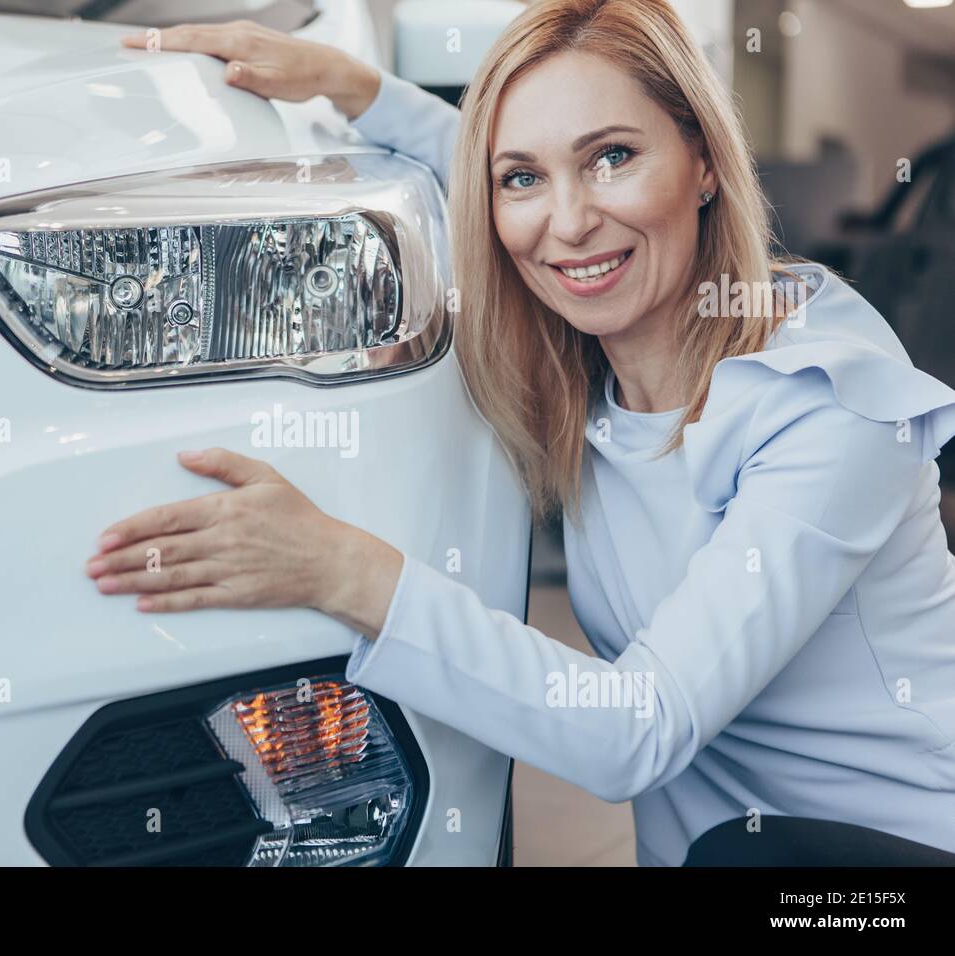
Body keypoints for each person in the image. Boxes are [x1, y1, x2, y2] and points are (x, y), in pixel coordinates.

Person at [85, 0, 955, 866]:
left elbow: (633, 732)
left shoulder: (827, 399)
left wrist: (341, 567)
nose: (569, 222)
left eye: (614, 156)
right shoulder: (596, 370)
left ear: (703, 161)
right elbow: (510, 177)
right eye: (522, 180)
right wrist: (356, 89)